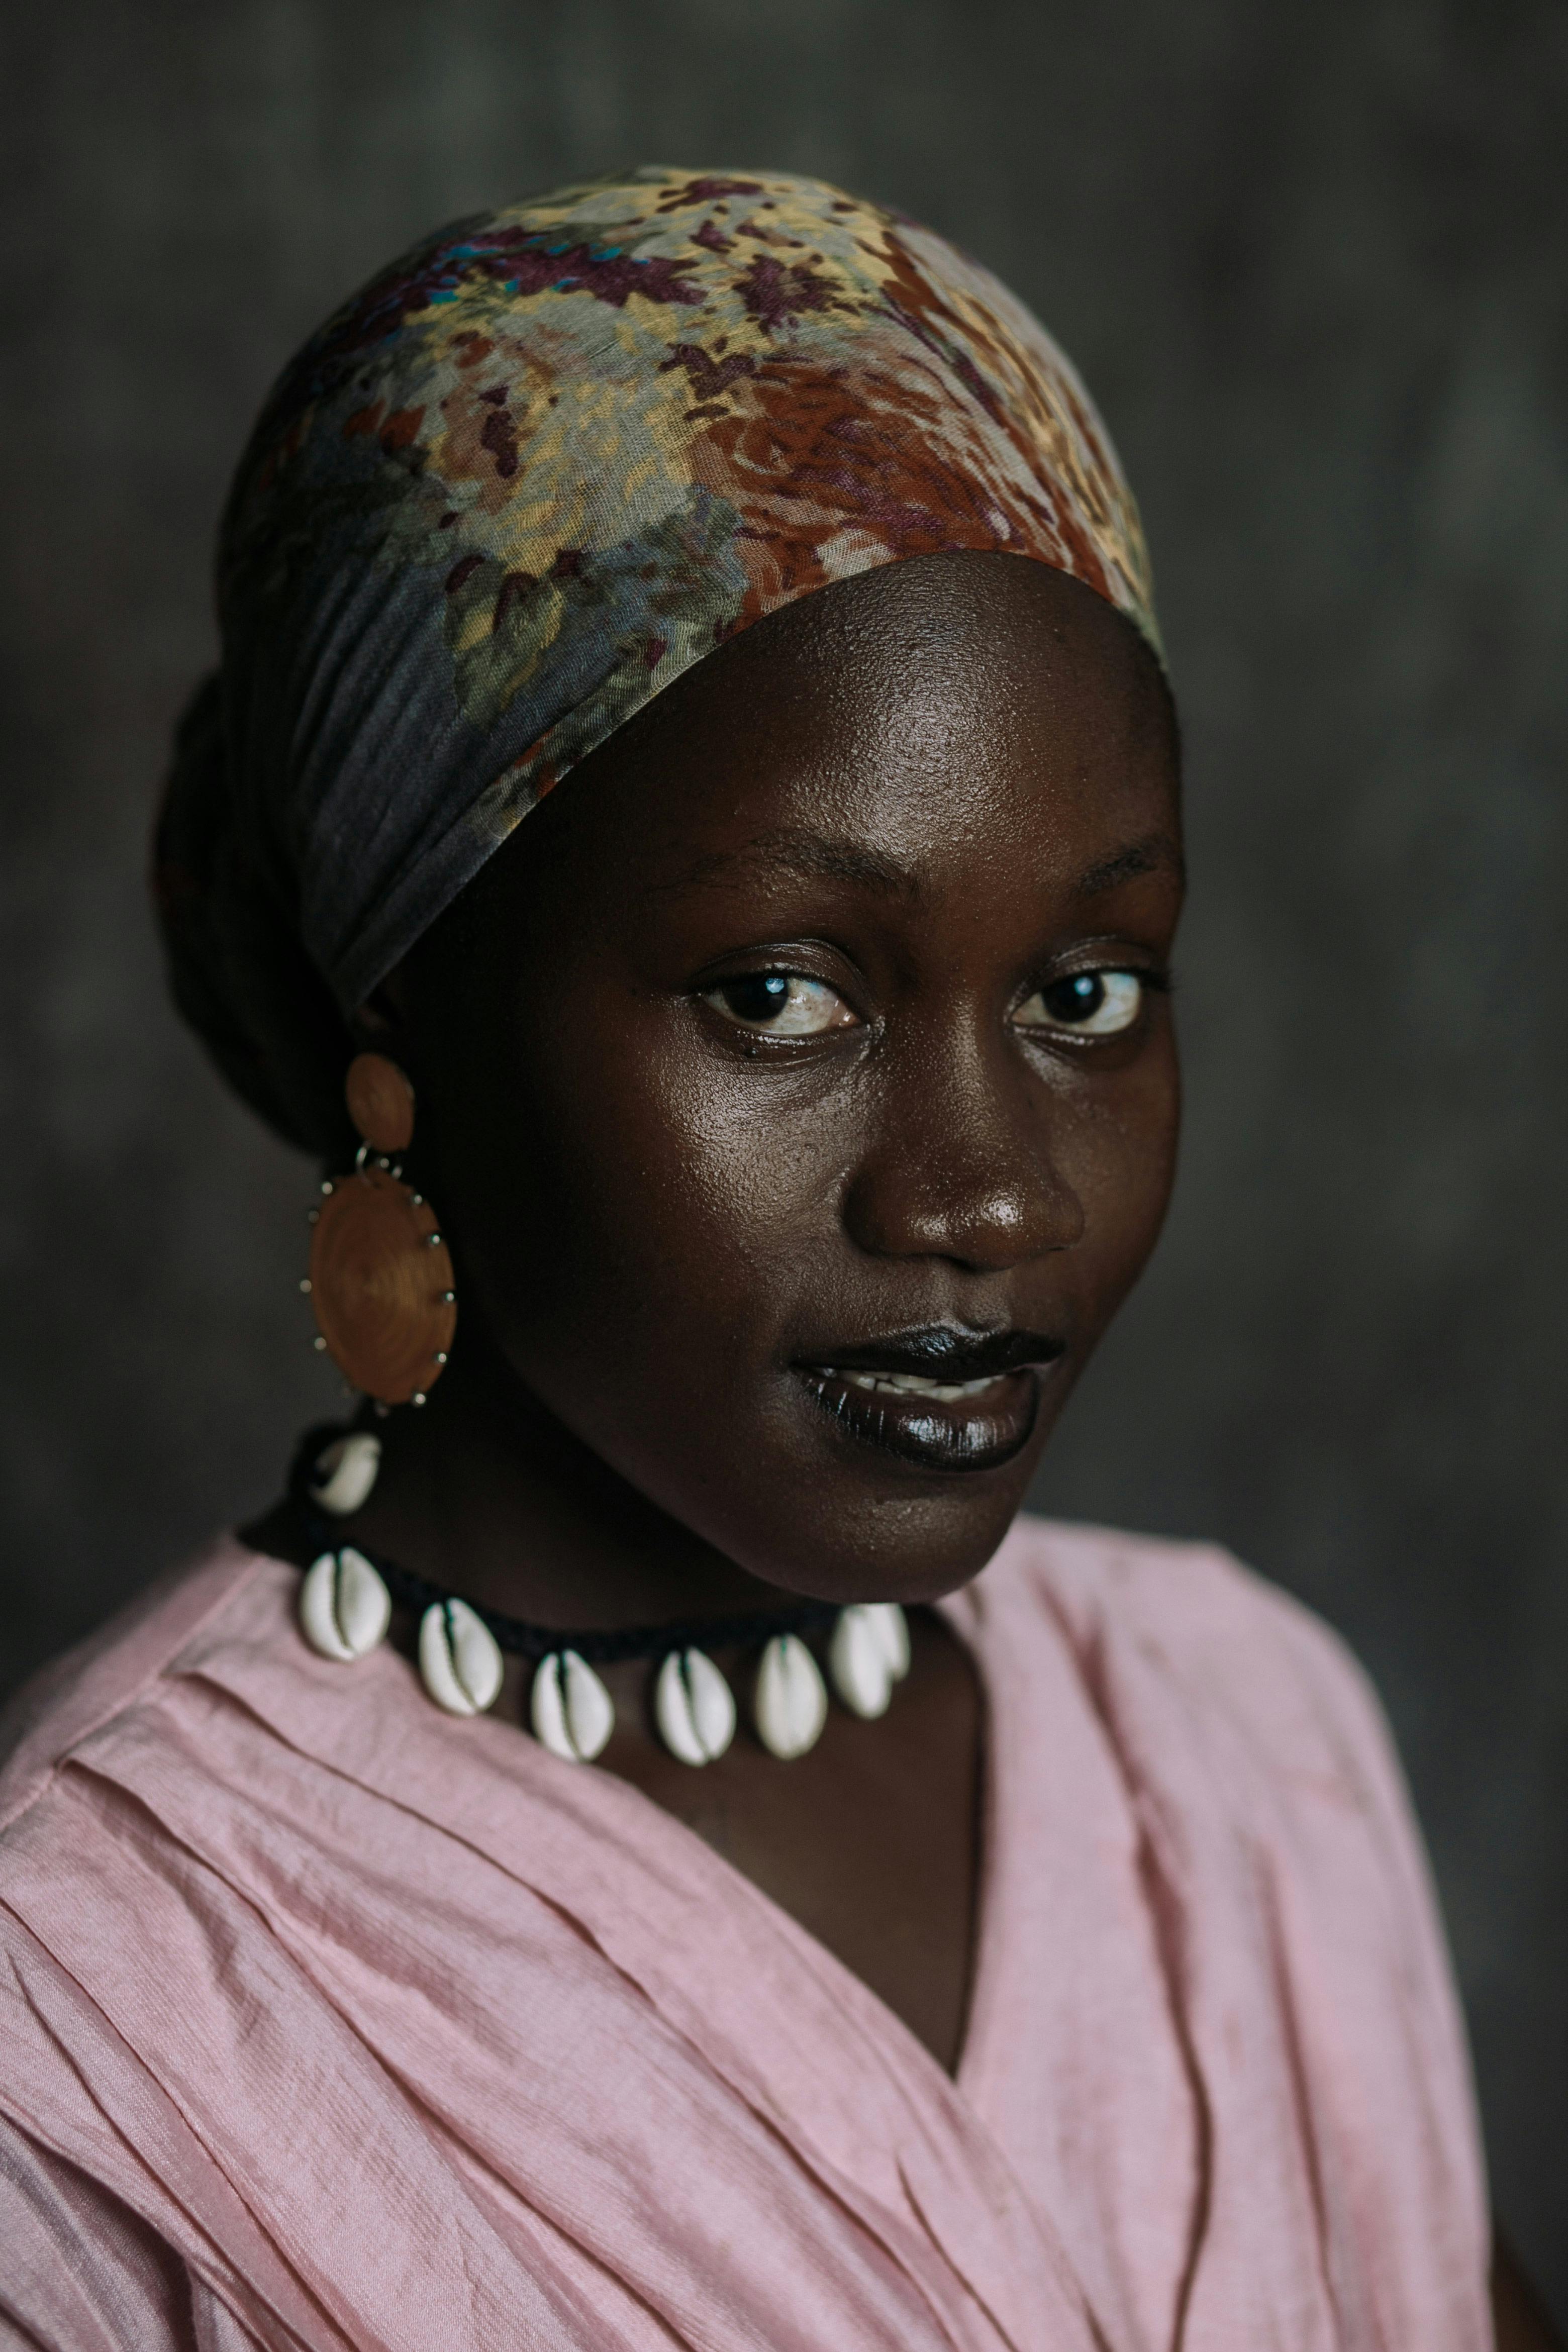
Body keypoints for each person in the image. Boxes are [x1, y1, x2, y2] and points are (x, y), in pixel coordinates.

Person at [0, 166, 1549, 2350]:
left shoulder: (1237, 1739)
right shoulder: (87, 2016)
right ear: (399, 1013)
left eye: (1088, 992)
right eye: (779, 996)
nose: (988, 1200)